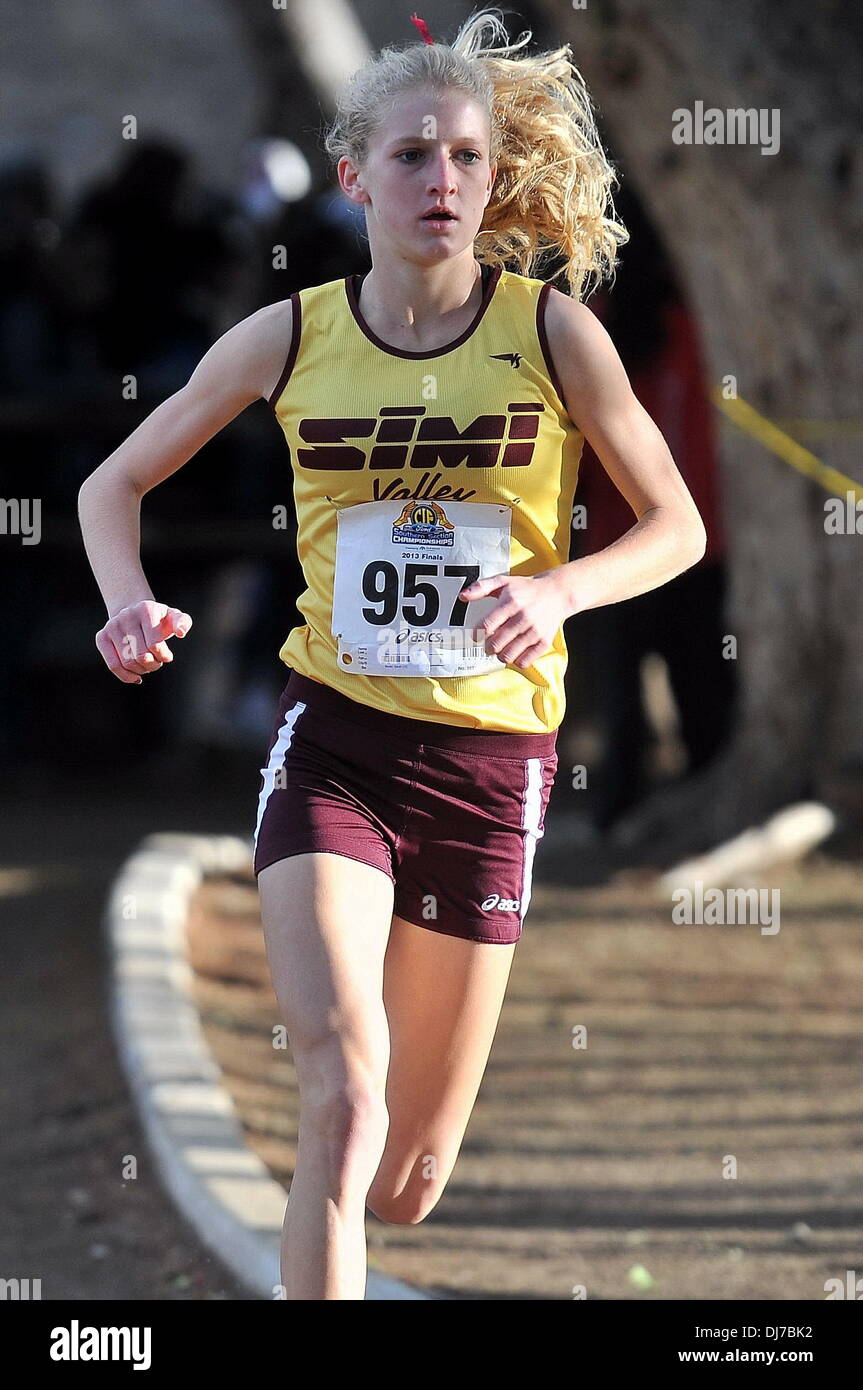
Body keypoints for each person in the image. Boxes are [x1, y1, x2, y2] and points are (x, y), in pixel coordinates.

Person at [77, 8, 706, 1300]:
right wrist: (128, 602)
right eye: (414, 156)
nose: (445, 183)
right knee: (342, 1099)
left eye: (468, 157)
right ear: (356, 175)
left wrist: (566, 588)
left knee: (406, 1173)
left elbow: (682, 527)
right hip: (337, 750)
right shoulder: (290, 338)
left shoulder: (551, 338)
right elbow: (111, 485)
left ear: (495, 175)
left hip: (490, 772)